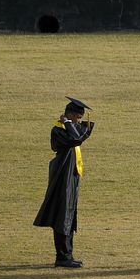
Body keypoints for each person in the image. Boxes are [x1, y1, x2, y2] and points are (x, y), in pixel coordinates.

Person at [33, 97, 94, 268]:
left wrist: (70, 123)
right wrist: (67, 123)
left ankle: (68, 255)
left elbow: (83, 133)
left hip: (72, 177)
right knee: (62, 216)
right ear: (70, 116)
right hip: (62, 178)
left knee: (69, 215)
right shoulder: (58, 130)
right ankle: (62, 257)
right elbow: (76, 139)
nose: (80, 122)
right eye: (78, 118)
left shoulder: (70, 129)